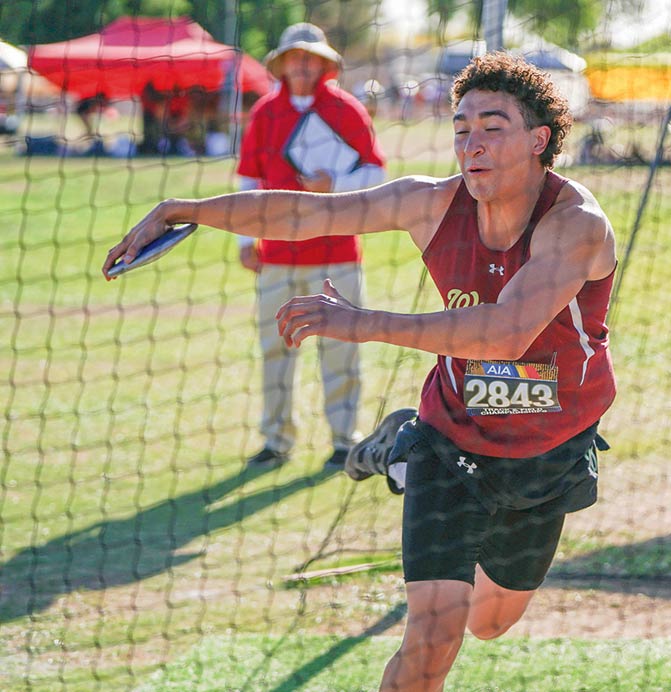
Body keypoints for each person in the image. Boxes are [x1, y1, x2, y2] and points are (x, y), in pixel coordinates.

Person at [104, 52, 617, 692]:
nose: (471, 144)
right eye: (460, 128)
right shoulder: (431, 203)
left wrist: (360, 321)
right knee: (434, 636)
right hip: (453, 438)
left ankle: (392, 453)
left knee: (489, 623)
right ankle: (414, 452)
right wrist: (187, 208)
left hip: (548, 449)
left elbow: (507, 335)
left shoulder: (576, 225)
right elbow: (308, 215)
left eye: (492, 127)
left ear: (538, 140)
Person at [236, 23, 386, 470]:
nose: (302, 65)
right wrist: (246, 238)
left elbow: (377, 175)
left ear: (324, 63)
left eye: (310, 57)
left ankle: (345, 441)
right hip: (277, 255)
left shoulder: (348, 109)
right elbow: (247, 179)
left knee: (342, 349)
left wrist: (332, 184)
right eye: (294, 57)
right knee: (274, 348)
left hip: (336, 255)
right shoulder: (264, 112)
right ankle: (276, 440)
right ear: (281, 63)